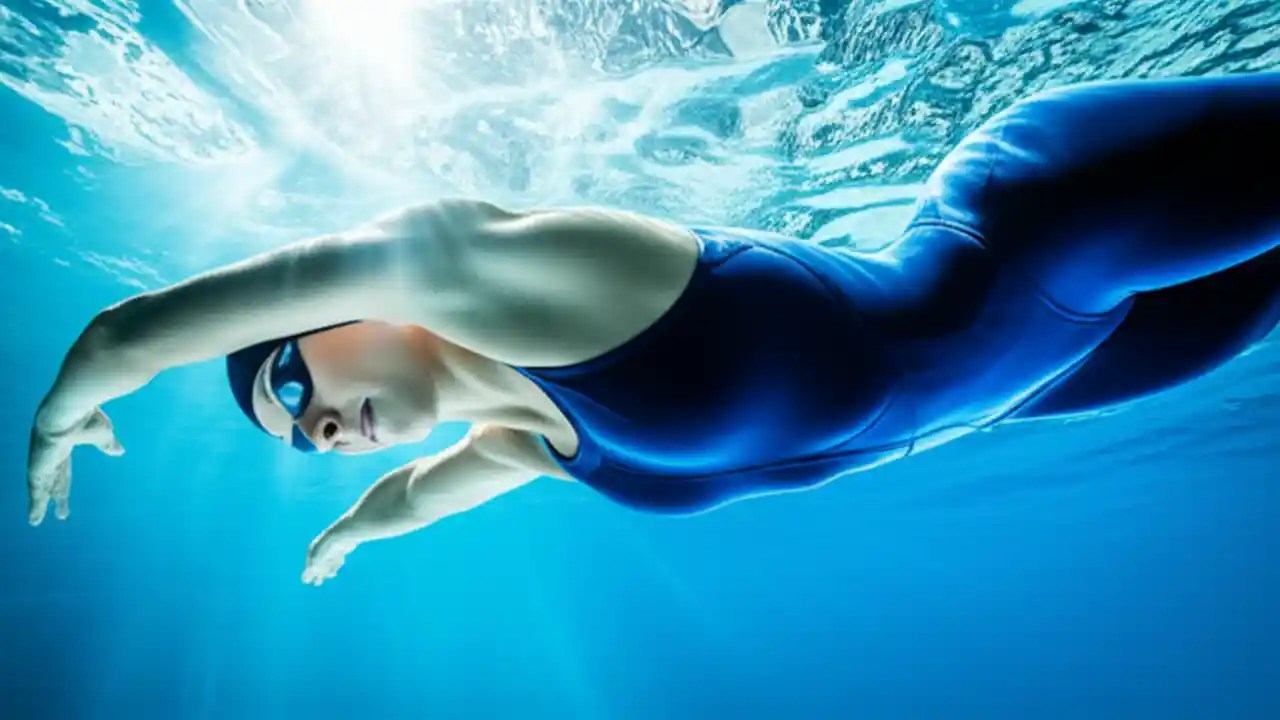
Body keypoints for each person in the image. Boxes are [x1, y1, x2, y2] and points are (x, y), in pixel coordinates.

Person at [26, 72, 1280, 586]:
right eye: (295, 437)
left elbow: (132, 330)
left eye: (291, 379)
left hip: (1058, 229)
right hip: (1092, 365)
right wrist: (349, 531)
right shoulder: (525, 442)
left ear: (342, 312)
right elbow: (415, 494)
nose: (314, 423)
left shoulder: (500, 278)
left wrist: (76, 392)